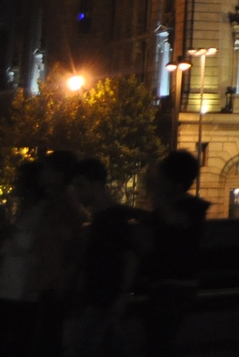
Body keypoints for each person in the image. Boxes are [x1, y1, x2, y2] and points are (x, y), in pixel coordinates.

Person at [133, 150, 208, 357]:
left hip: (176, 286)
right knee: (157, 341)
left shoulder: (193, 208)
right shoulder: (181, 207)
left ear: (175, 182)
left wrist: (157, 189)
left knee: (158, 342)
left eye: (163, 177)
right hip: (165, 284)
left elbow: (171, 220)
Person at [63, 158, 135, 357]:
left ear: (96, 185)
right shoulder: (106, 218)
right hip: (101, 299)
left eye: (80, 186)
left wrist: (122, 294)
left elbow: (129, 258)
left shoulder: (111, 219)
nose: (76, 191)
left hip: (103, 300)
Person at [35, 150, 86, 357]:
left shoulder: (66, 206)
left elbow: (76, 245)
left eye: (46, 168)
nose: (42, 173)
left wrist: (64, 277)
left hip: (56, 285)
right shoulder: (54, 204)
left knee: (50, 342)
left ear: (59, 174)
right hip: (48, 282)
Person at [0, 161, 47, 349]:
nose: (15, 184)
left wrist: (7, 229)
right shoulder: (26, 211)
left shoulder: (41, 211)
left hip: (21, 289)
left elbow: (29, 243)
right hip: (10, 286)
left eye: (19, 180)